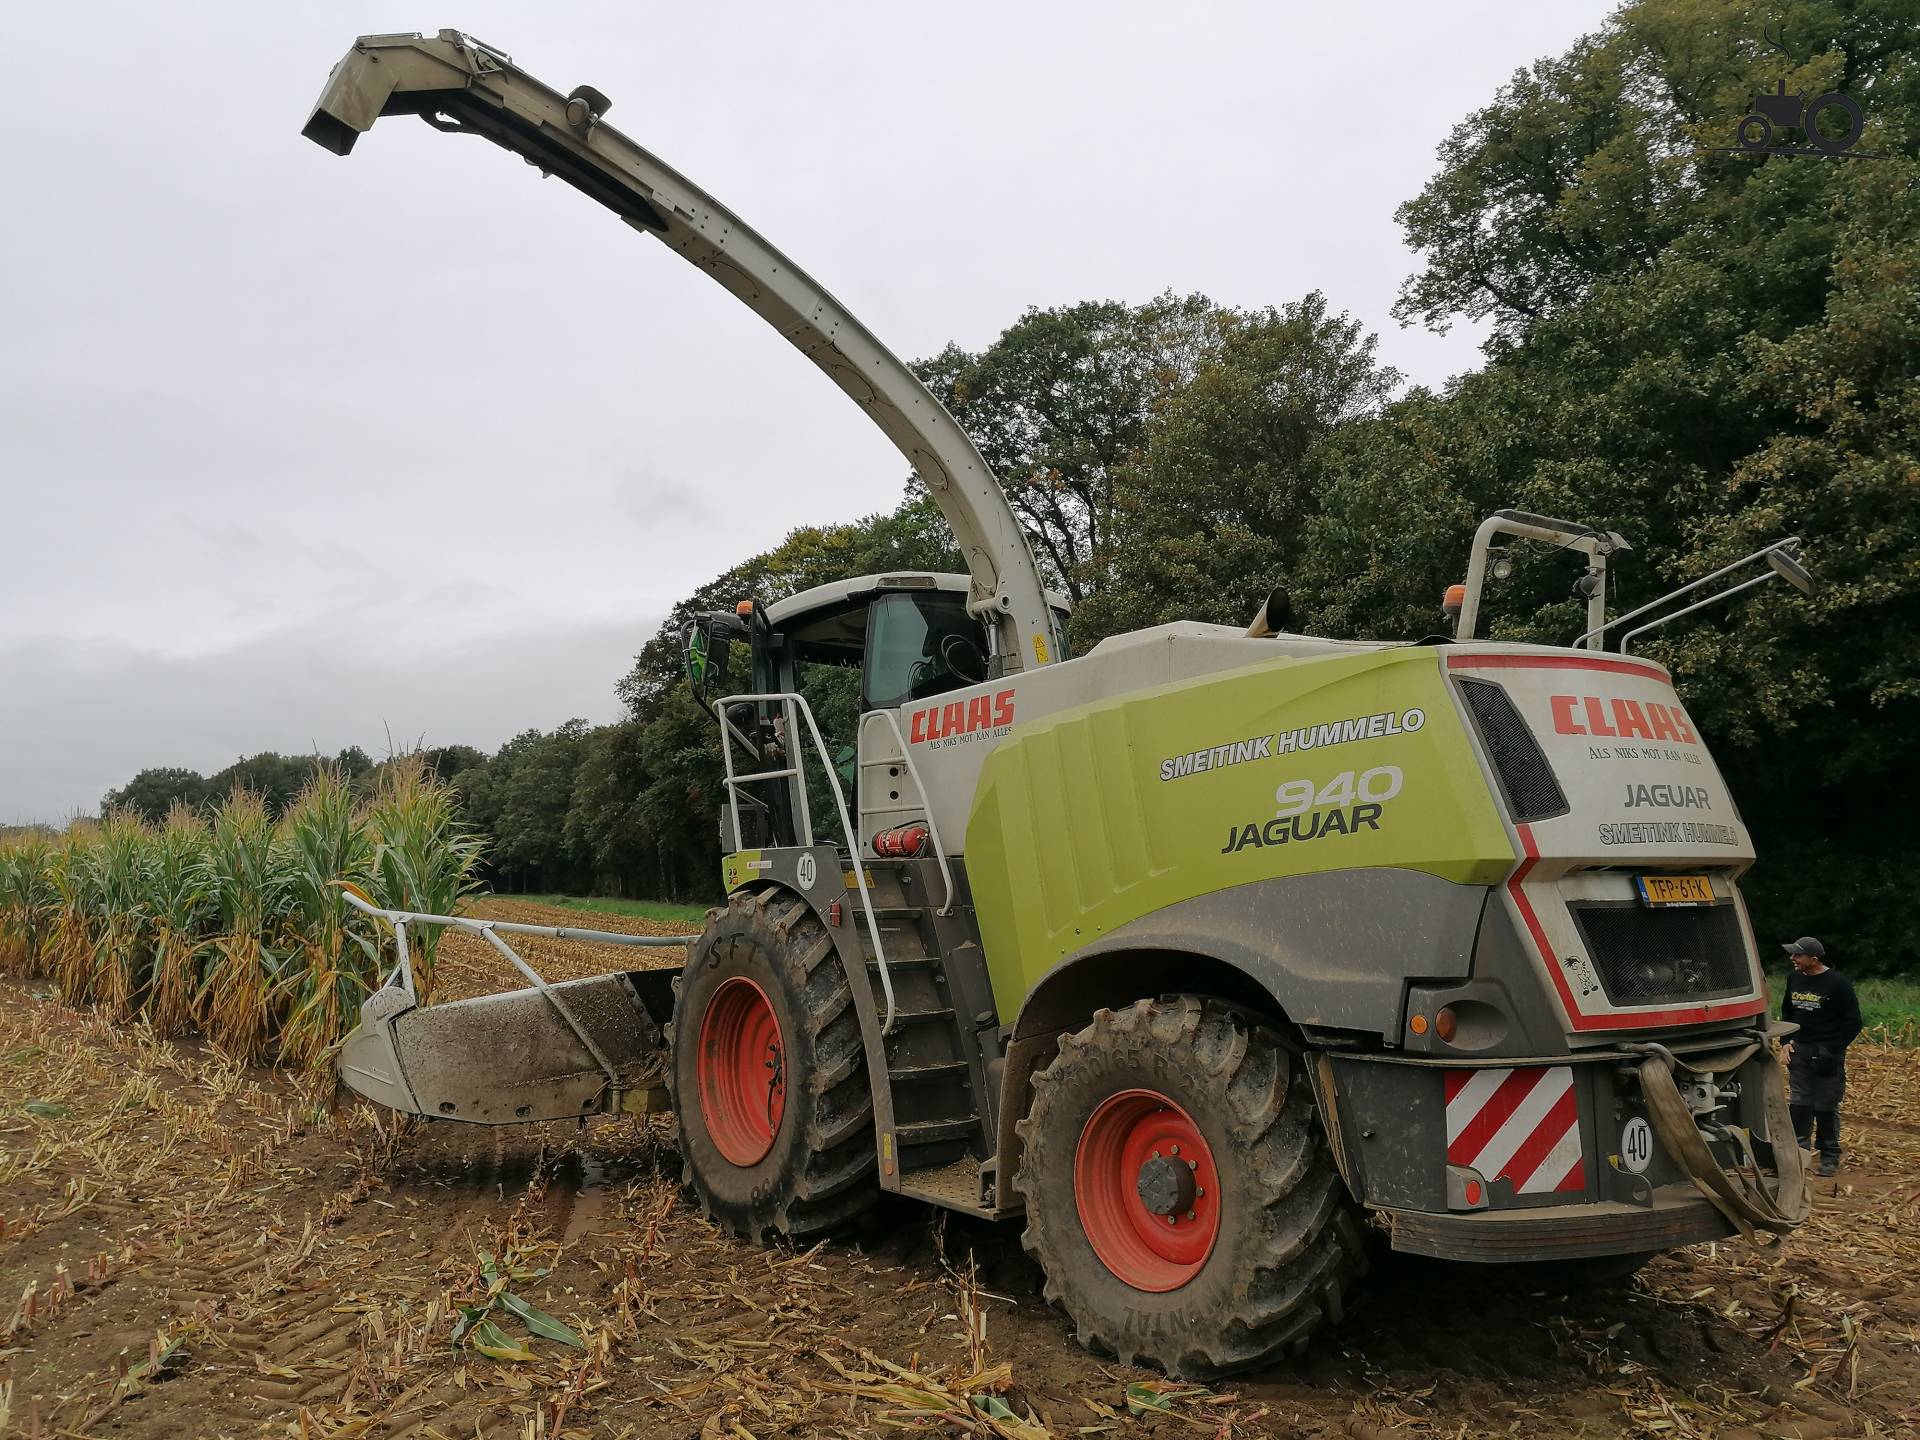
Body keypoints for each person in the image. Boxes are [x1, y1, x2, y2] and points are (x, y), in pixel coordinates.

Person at [1778, 937, 1862, 1177]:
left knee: (1825, 1104)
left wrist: (1833, 1049)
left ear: (1813, 959)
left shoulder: (1837, 983)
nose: (1792, 958)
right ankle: (1798, 1153)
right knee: (1800, 1102)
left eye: (1798, 955)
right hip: (1799, 1049)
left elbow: (1853, 1022)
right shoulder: (1793, 978)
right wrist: (1785, 1041)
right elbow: (1787, 1012)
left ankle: (1829, 1156)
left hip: (1827, 1051)